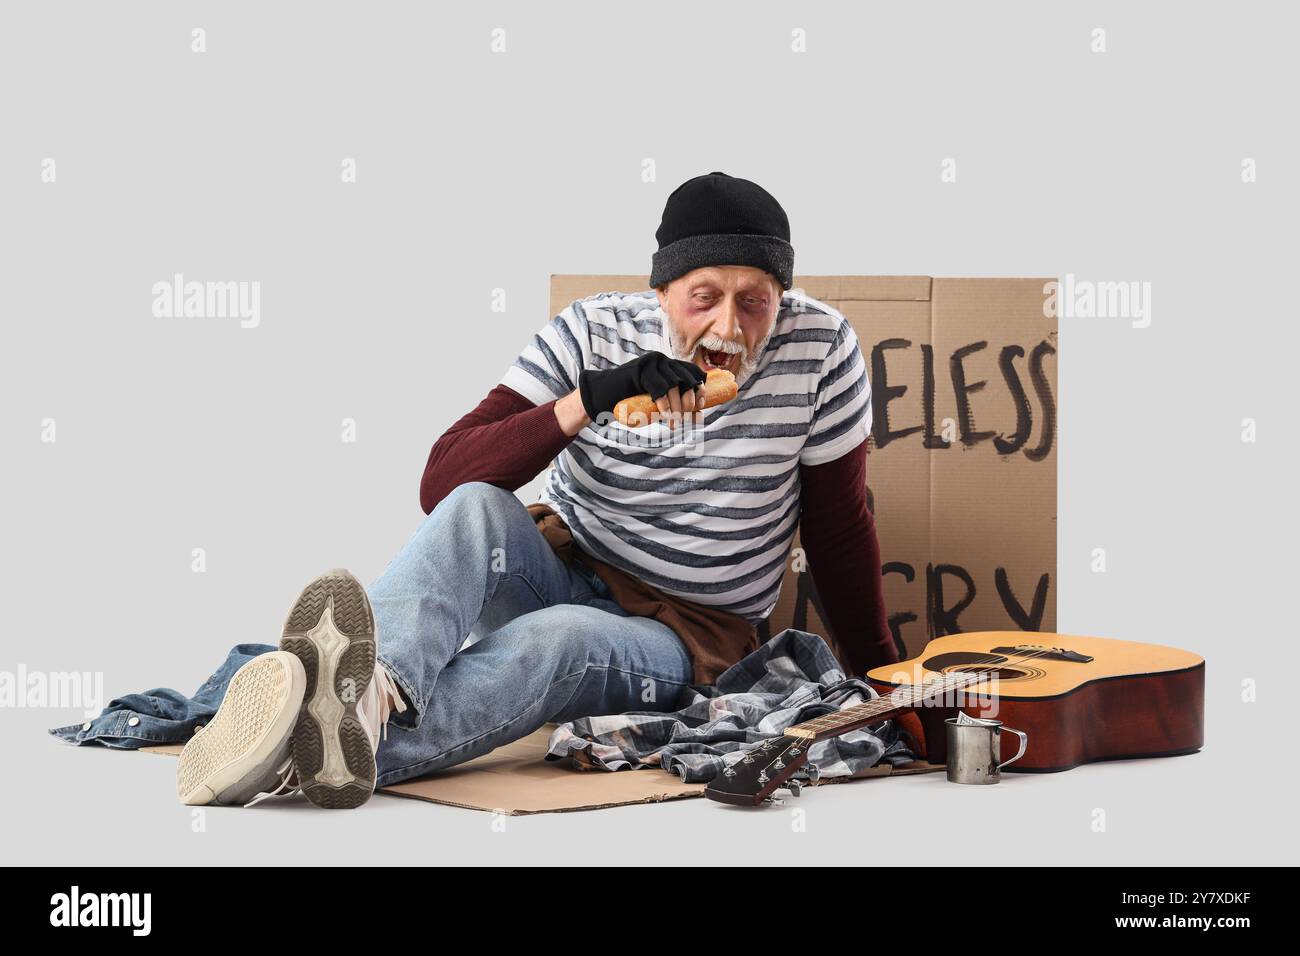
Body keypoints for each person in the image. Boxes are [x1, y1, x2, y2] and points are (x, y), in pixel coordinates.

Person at [176, 171, 895, 809]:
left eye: (756, 302)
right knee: (475, 507)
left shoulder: (822, 350)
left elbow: (837, 526)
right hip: (558, 567)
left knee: (555, 642)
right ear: (662, 291)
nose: (728, 326)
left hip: (684, 636)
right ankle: (369, 696)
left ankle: (299, 751)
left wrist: (883, 679)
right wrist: (589, 398)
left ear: (783, 297)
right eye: (703, 297)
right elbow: (444, 477)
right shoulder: (591, 329)